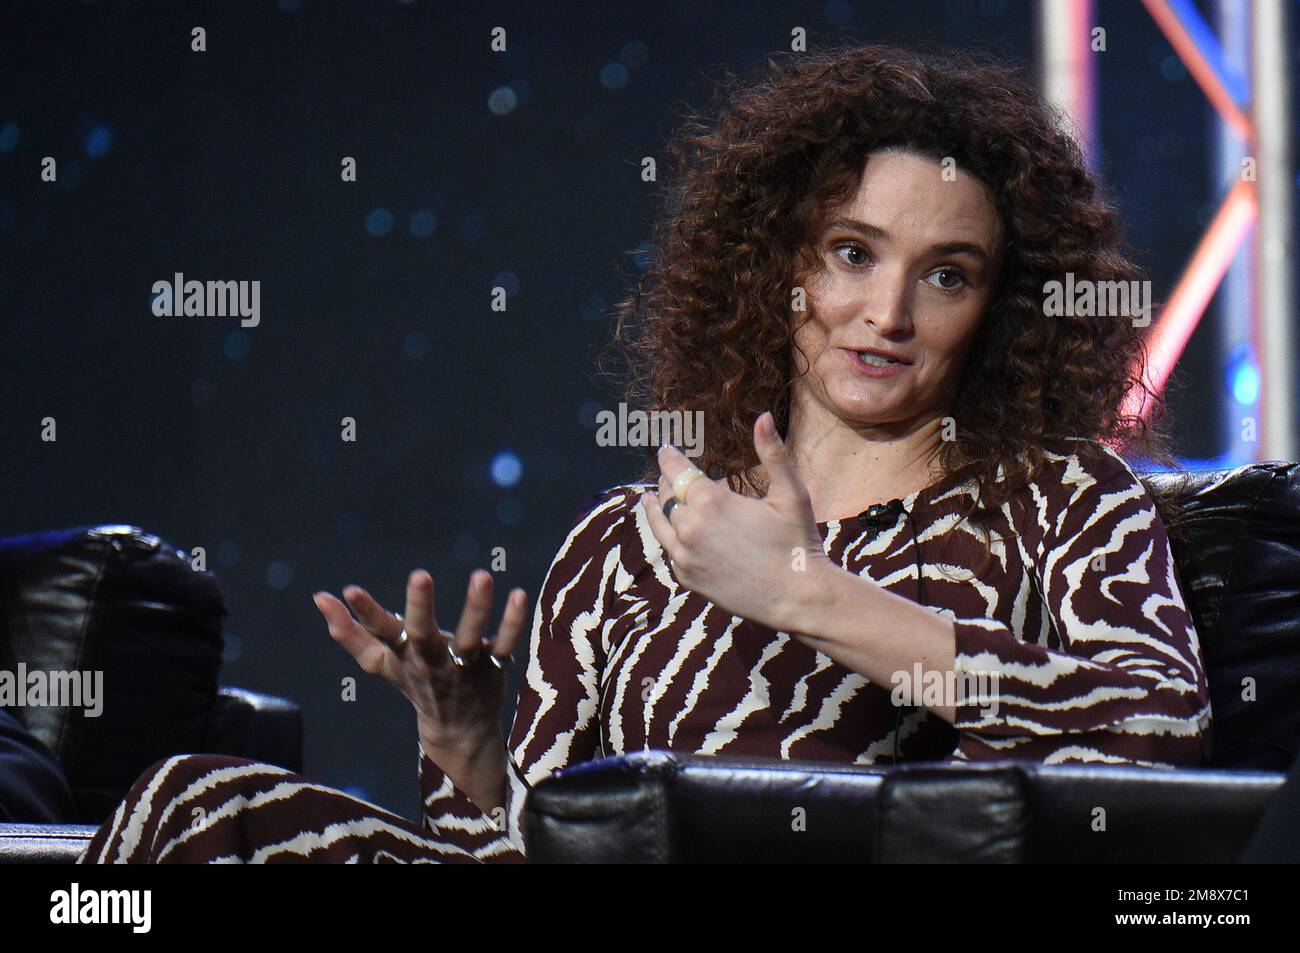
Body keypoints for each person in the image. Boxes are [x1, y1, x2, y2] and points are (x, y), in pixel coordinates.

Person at [78, 42, 1210, 864]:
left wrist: (807, 592)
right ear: (780, 264)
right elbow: (518, 853)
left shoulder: (1059, 498)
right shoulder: (633, 538)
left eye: (946, 275)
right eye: (852, 253)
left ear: (1001, 310)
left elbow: (1156, 732)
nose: (887, 313)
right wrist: (466, 746)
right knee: (193, 802)